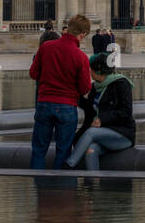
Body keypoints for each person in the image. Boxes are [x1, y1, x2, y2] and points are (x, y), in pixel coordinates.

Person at [28, 14, 93, 170]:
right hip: (67, 106)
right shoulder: (81, 57)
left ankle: (37, 187)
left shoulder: (46, 47)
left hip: (44, 103)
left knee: (38, 149)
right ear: (82, 34)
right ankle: (60, 189)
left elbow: (33, 73)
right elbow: (85, 88)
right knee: (63, 150)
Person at [66, 52, 135, 171]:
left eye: (91, 69)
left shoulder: (121, 84)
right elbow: (90, 111)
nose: (89, 72)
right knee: (91, 150)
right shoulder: (96, 87)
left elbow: (126, 112)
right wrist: (76, 96)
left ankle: (69, 165)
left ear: (98, 70)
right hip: (104, 136)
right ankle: (93, 186)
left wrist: (102, 119)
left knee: (92, 132)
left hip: (122, 134)